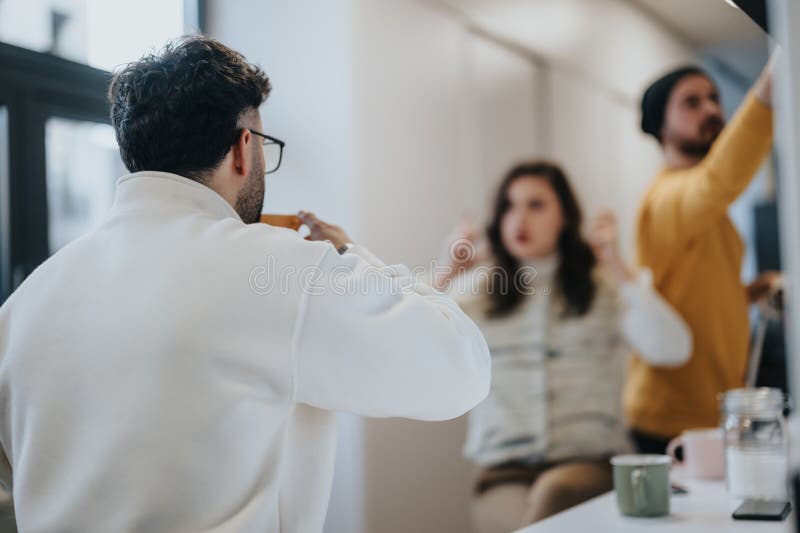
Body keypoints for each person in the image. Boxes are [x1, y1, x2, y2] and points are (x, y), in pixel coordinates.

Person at [0, 36, 491, 532]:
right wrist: (348, 254)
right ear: (243, 148)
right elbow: (460, 368)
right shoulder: (282, 269)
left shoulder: (25, 304)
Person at [435, 161, 691, 533]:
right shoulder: (477, 292)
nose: (519, 218)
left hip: (589, 463)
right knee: (520, 519)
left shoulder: (603, 287)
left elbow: (673, 348)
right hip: (504, 471)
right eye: (509, 206)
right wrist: (448, 271)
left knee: (555, 494)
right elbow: (406, 339)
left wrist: (619, 266)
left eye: (535, 205)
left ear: (565, 218)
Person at [625, 58, 776, 455]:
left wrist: (750, 292)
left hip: (710, 414)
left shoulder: (704, 208)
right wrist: (770, 86)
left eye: (713, 98)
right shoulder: (666, 198)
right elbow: (722, 177)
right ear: (660, 125)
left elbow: (694, 296)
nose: (711, 109)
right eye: (691, 103)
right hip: (670, 422)